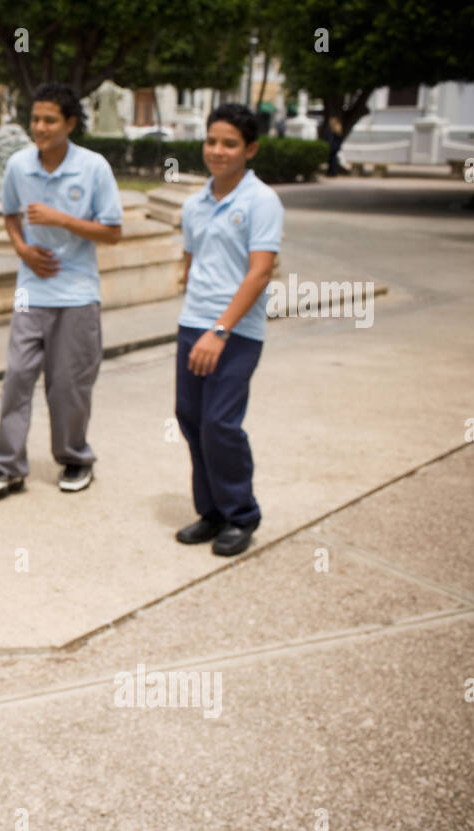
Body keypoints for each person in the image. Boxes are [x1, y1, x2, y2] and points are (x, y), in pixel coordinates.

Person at [0, 82, 123, 498]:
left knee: (69, 384)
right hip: (30, 291)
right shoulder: (19, 166)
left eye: (49, 120)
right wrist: (23, 249)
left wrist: (62, 220)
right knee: (17, 378)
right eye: (35, 118)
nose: (39, 127)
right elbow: (10, 215)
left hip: (77, 293)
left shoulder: (94, 167)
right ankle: (7, 467)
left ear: (70, 123)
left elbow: (112, 232)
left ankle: (75, 457)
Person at [174, 104, 284, 558]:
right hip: (192, 324)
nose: (217, 151)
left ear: (250, 149)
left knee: (220, 422)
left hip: (234, 331)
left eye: (229, 144)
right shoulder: (194, 203)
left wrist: (219, 330)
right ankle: (212, 511)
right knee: (192, 419)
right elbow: (191, 258)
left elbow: (260, 274)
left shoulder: (262, 202)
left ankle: (242, 515)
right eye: (211, 141)